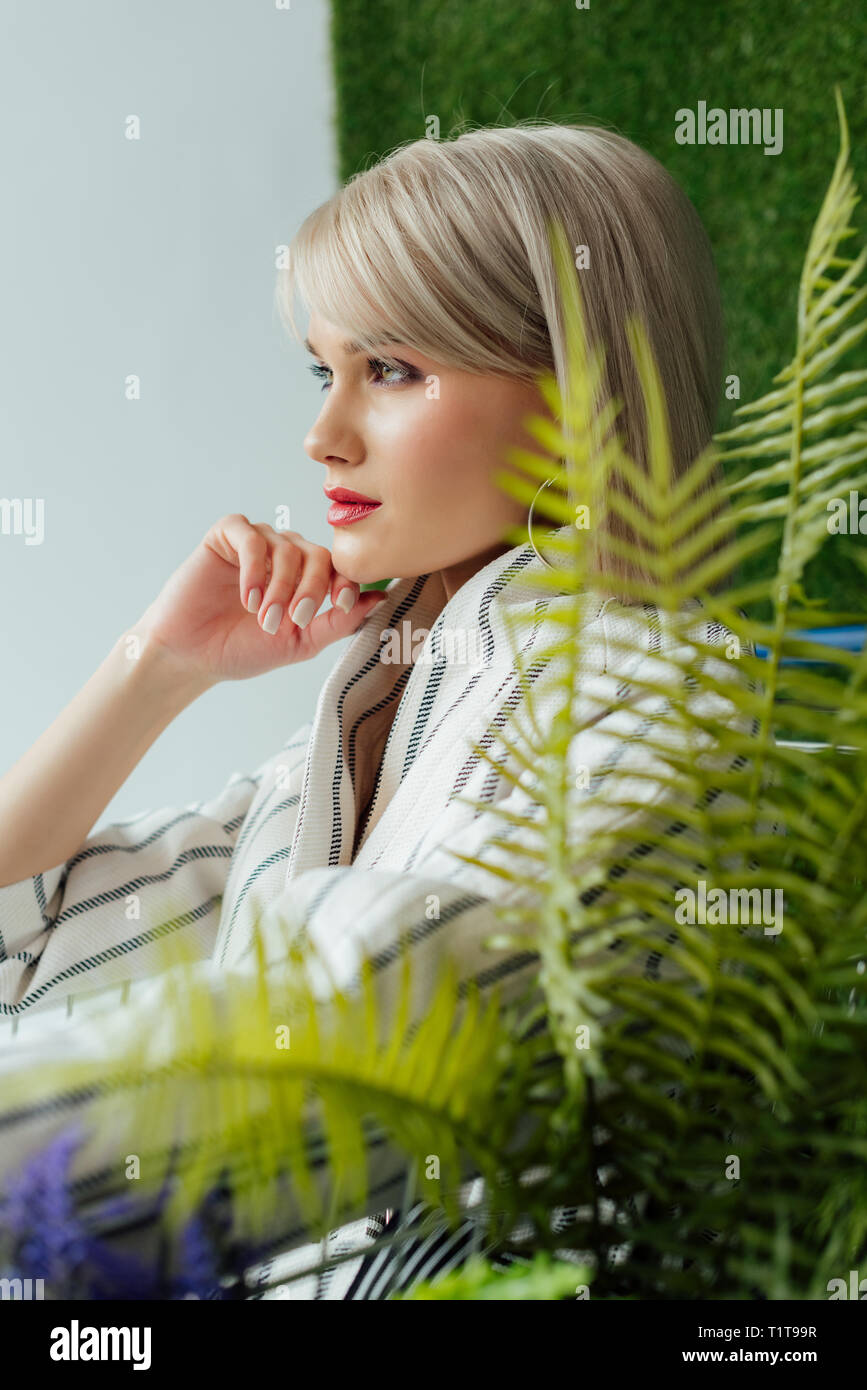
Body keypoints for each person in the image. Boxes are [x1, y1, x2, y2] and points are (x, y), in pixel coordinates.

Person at [0, 120, 749, 1299]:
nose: (323, 434)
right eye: (323, 368)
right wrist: (155, 667)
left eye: (392, 369)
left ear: (581, 392)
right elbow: (24, 949)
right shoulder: (337, 758)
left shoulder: (646, 687)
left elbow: (400, 1011)